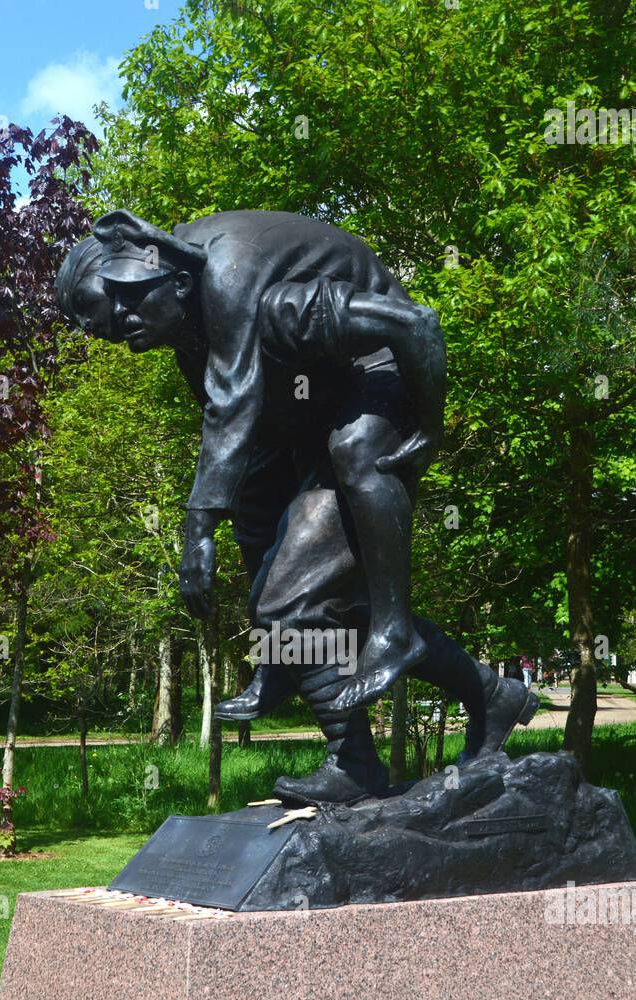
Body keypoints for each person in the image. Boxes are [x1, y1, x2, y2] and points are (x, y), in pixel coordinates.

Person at [56, 212, 539, 801]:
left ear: (162, 278)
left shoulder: (232, 276)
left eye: (126, 309)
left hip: (385, 371)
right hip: (325, 400)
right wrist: (263, 620)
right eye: (112, 330)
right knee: (304, 606)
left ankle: (358, 756)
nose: (126, 331)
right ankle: (491, 695)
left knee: (301, 588)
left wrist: (197, 530)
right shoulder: (196, 333)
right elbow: (250, 452)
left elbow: (240, 402)